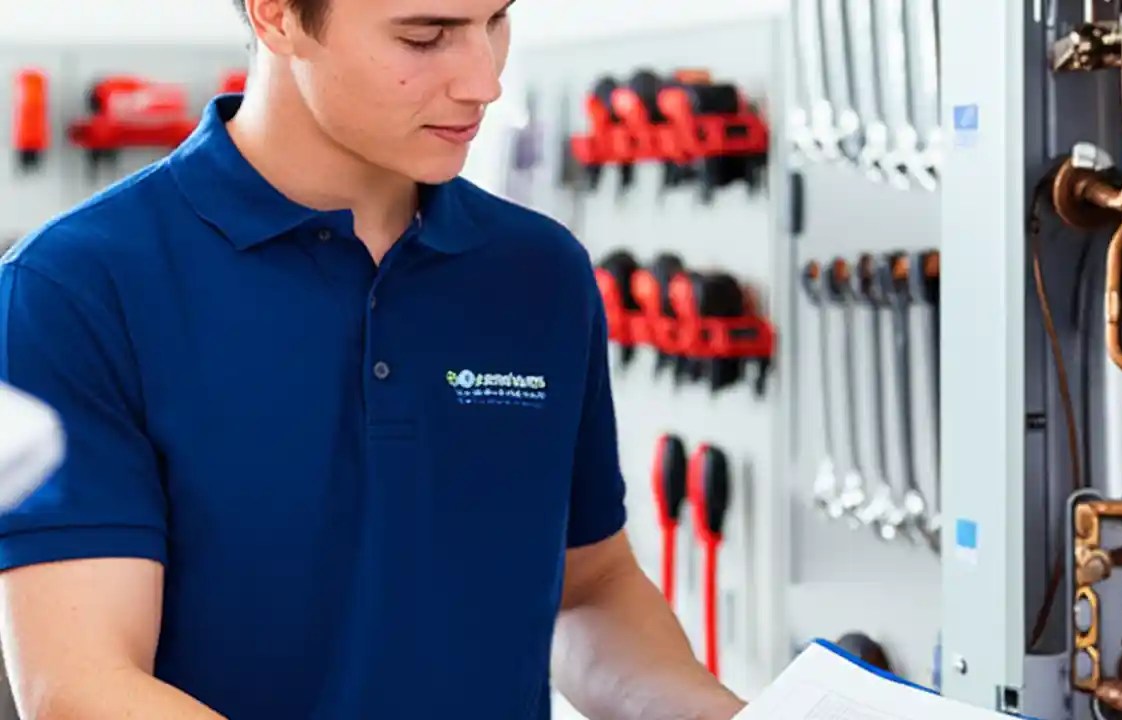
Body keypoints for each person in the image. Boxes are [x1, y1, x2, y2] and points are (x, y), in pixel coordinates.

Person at [0, 0, 748, 718]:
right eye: (425, 36)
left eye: (496, 20)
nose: (483, 82)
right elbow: (83, 687)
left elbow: (587, 589)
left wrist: (716, 715)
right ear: (277, 14)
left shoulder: (542, 271)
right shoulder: (76, 287)